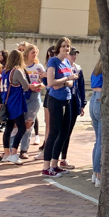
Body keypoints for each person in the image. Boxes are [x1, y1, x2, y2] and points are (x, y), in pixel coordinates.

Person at [41, 38, 76, 176]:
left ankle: (55, 164)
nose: (66, 49)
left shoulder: (67, 62)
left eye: (68, 46)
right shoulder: (53, 61)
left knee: (64, 132)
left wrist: (64, 82)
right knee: (54, 132)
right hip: (55, 100)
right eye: (63, 46)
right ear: (58, 48)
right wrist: (66, 80)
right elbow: (51, 82)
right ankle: (46, 166)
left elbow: (72, 83)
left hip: (67, 99)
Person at [0, 48, 32, 164]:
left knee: (8, 129)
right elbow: (26, 86)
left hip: (7, 102)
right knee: (21, 128)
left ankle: (6, 153)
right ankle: (13, 153)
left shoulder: (5, 71)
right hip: (16, 103)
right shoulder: (17, 71)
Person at [56, 47, 85, 168]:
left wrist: (82, 104)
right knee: (58, 130)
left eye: (75, 54)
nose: (74, 56)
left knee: (68, 130)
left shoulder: (78, 69)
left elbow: (81, 88)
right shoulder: (62, 67)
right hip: (62, 98)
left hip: (73, 100)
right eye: (72, 54)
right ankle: (54, 156)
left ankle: (63, 157)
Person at [22, 44, 46, 157]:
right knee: (17, 124)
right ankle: (12, 148)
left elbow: (45, 82)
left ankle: (24, 150)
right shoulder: (21, 66)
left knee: (29, 122)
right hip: (22, 96)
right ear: (27, 53)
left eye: (36, 52)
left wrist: (39, 85)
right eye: (32, 52)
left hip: (34, 96)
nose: (35, 54)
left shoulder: (39, 67)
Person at [89, 60, 103, 186]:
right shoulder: (107, 66)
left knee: (98, 140)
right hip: (100, 97)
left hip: (93, 98)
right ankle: (98, 173)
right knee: (101, 141)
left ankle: (95, 173)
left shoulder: (97, 67)